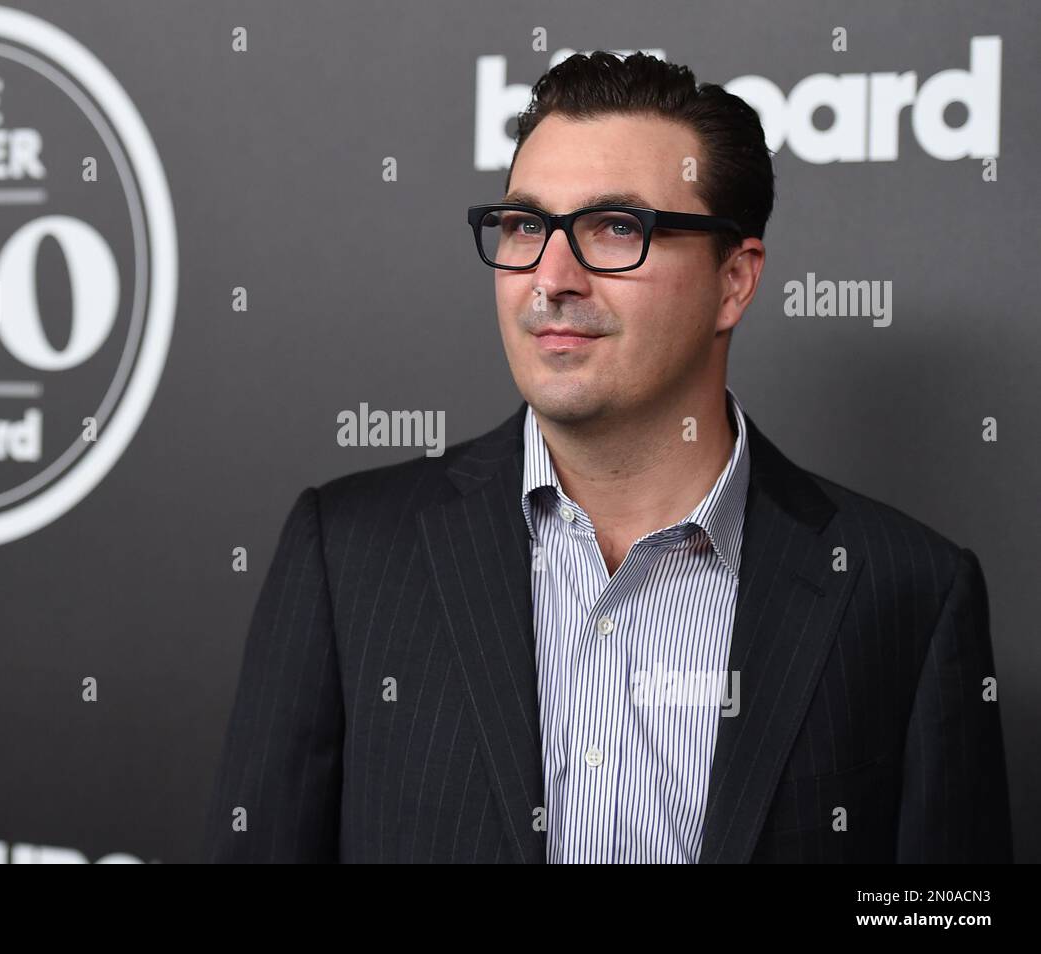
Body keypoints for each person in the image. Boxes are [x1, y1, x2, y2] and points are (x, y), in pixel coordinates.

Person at [204, 51, 1012, 863]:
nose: (551, 278)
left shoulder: (906, 591)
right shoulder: (347, 556)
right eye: (526, 226)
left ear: (734, 281)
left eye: (618, 228)